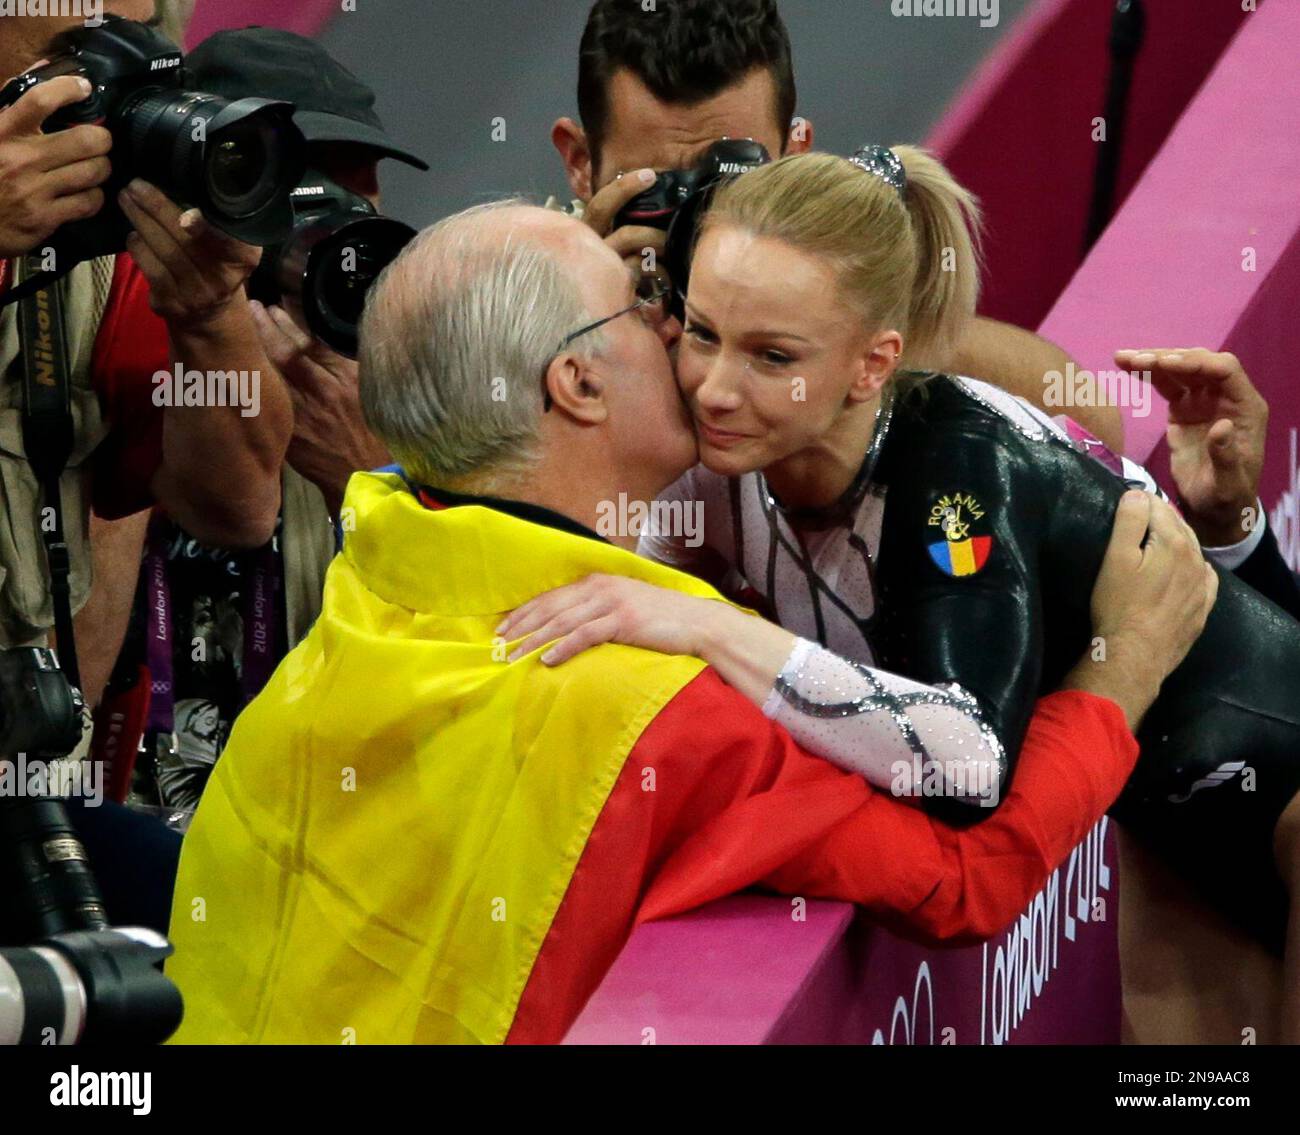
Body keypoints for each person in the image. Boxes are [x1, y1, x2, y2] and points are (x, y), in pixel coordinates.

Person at [162, 200, 1212, 1044]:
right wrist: (1121, 671)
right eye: (643, 303)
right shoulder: (663, 709)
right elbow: (964, 881)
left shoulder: (359, 593)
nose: (675, 329)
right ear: (576, 382)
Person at [510, 149, 1300, 1041]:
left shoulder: (958, 466)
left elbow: (966, 763)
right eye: (701, 333)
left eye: (773, 355)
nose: (716, 387)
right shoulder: (729, 454)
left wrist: (704, 624)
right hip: (1177, 829)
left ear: (872, 363)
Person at [91, 27, 428, 821]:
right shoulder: (132, 350)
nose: (331, 225)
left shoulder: (432, 396)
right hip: (143, 834)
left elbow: (493, 649)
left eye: (356, 189)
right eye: (297, 181)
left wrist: (370, 474)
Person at [549, 0, 1125, 451]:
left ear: (795, 152)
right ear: (580, 162)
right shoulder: (518, 313)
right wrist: (590, 326)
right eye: (654, 183)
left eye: (725, 178)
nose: (694, 216)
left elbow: (1093, 420)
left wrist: (849, 343)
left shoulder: (829, 297)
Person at [0, 2, 293, 684]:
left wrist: (211, 316)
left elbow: (239, 506)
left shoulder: (109, 245)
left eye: (136, 42)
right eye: (84, 48)